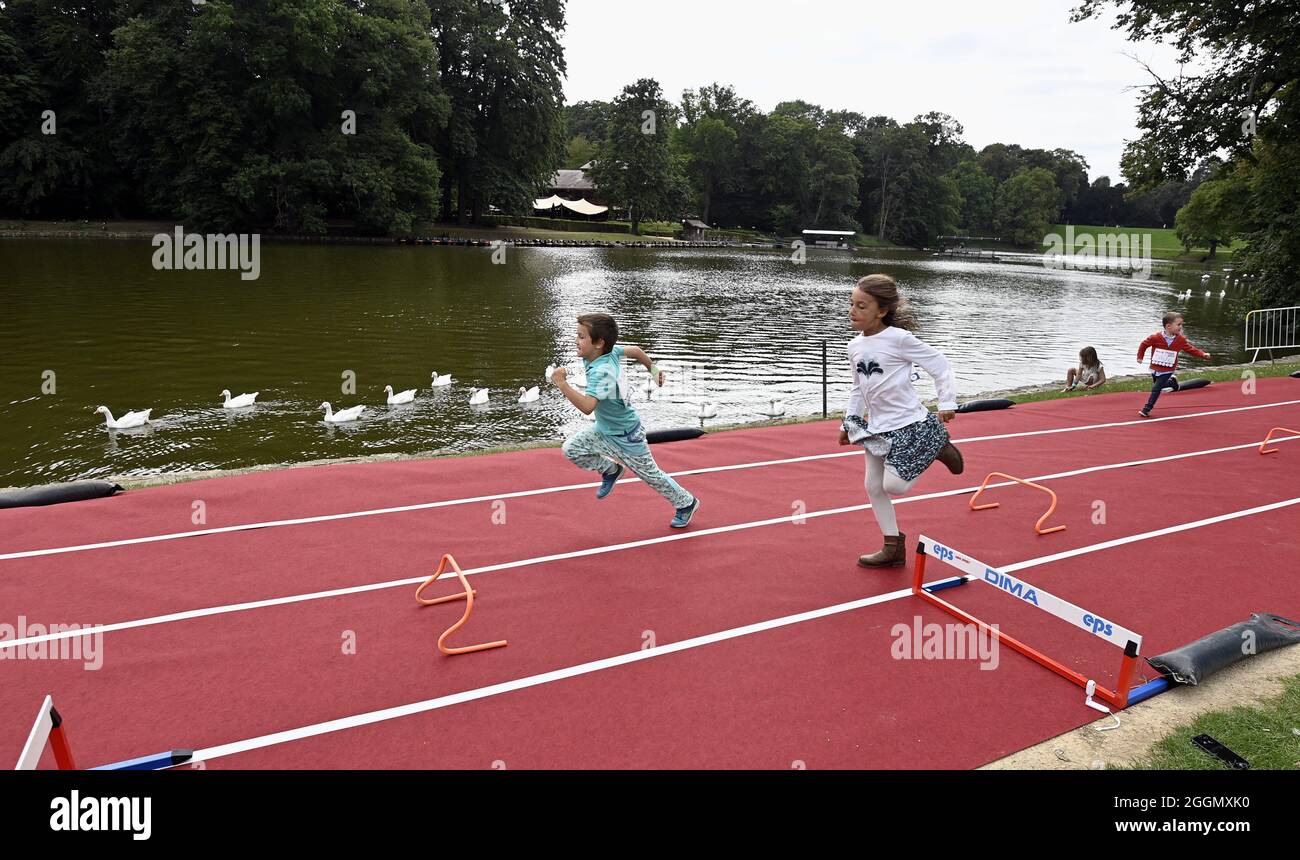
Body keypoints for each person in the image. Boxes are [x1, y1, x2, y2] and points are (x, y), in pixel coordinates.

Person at [839, 275, 963, 568]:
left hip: (910, 423)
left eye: (861, 306)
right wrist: (846, 424)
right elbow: (859, 389)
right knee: (873, 486)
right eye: (851, 304)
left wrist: (946, 402)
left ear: (881, 311)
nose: (852, 311)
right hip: (876, 427)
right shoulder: (854, 346)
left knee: (894, 485)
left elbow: (940, 365)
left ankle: (936, 445)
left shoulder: (899, 339)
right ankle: (892, 546)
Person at [551, 313, 701, 529]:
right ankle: (611, 470)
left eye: (582, 336)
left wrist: (562, 383)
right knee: (571, 449)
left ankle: (686, 503)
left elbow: (587, 407)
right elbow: (637, 351)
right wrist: (654, 369)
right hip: (604, 430)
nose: (576, 340)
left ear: (599, 343)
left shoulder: (603, 372)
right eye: (577, 335)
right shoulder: (608, 353)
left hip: (626, 437)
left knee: (652, 476)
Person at [1137, 313, 1210, 417]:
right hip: (1155, 368)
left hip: (1168, 369)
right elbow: (1144, 344)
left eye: (1181, 324)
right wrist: (1140, 356)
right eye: (1178, 324)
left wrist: (1203, 354)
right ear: (1168, 326)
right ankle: (1172, 383)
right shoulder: (1156, 337)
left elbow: (1191, 349)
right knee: (1159, 386)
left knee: (1156, 388)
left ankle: (1147, 409)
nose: (1181, 327)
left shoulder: (1180, 340)